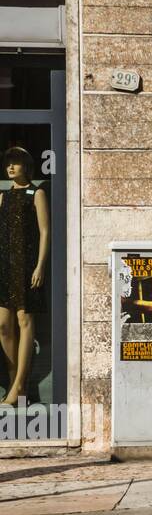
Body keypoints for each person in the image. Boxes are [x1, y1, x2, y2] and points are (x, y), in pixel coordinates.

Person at [0, 146, 49, 407]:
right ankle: (14, 381)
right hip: (6, 266)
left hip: (28, 266)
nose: (11, 168)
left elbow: (45, 232)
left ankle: (20, 386)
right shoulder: (3, 197)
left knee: (24, 321)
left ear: (26, 166)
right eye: (8, 163)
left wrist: (40, 265)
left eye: (16, 163)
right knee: (4, 326)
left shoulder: (36, 193)